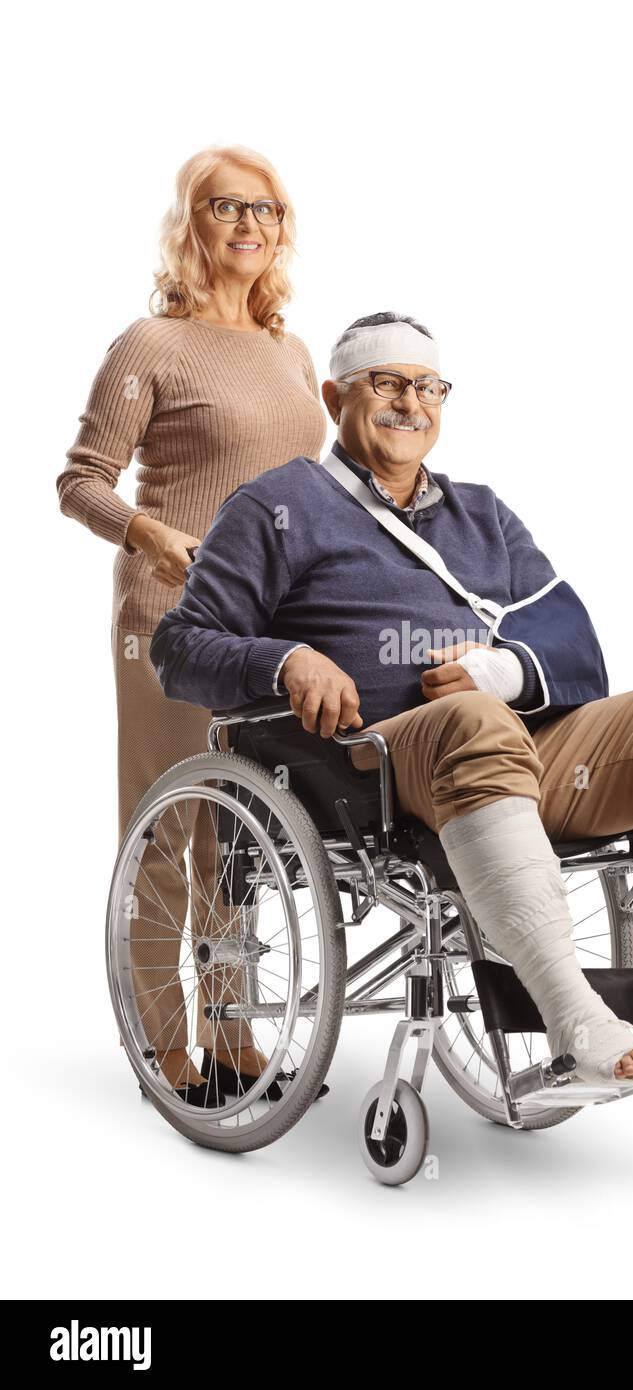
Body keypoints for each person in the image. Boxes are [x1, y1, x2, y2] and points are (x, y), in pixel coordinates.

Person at [149, 311, 633, 1096]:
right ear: (336, 396)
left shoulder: (483, 514)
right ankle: (576, 1016)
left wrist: (501, 671)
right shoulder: (275, 506)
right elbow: (179, 648)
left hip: (516, 746)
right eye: (387, 383)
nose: (411, 402)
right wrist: (286, 659)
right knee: (467, 722)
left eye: (428, 386)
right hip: (369, 765)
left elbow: (573, 639)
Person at [56, 145, 327, 1104]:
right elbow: (80, 482)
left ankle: (233, 1028)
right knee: (170, 827)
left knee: (242, 833)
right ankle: (164, 1043)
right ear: (192, 222)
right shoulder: (150, 345)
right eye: (227, 208)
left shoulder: (292, 353)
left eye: (267, 208)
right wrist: (147, 532)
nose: (250, 225)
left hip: (267, 622)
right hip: (171, 612)